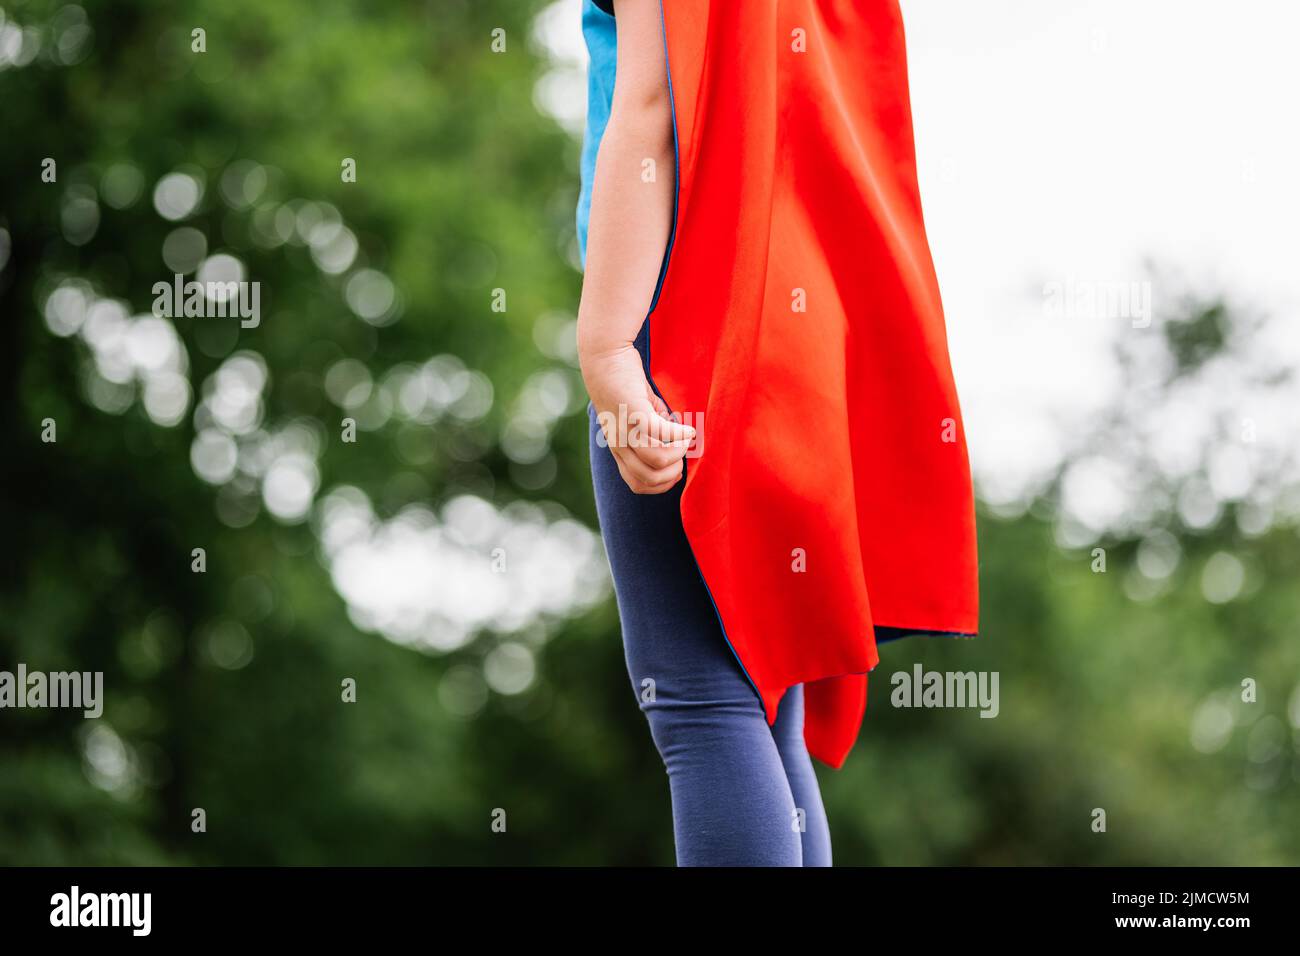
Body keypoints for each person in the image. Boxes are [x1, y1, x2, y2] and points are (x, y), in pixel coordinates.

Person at [575, 0, 979, 867]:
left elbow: (650, 111)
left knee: (696, 695)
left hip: (685, 318)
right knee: (763, 701)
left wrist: (608, 349)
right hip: (801, 334)